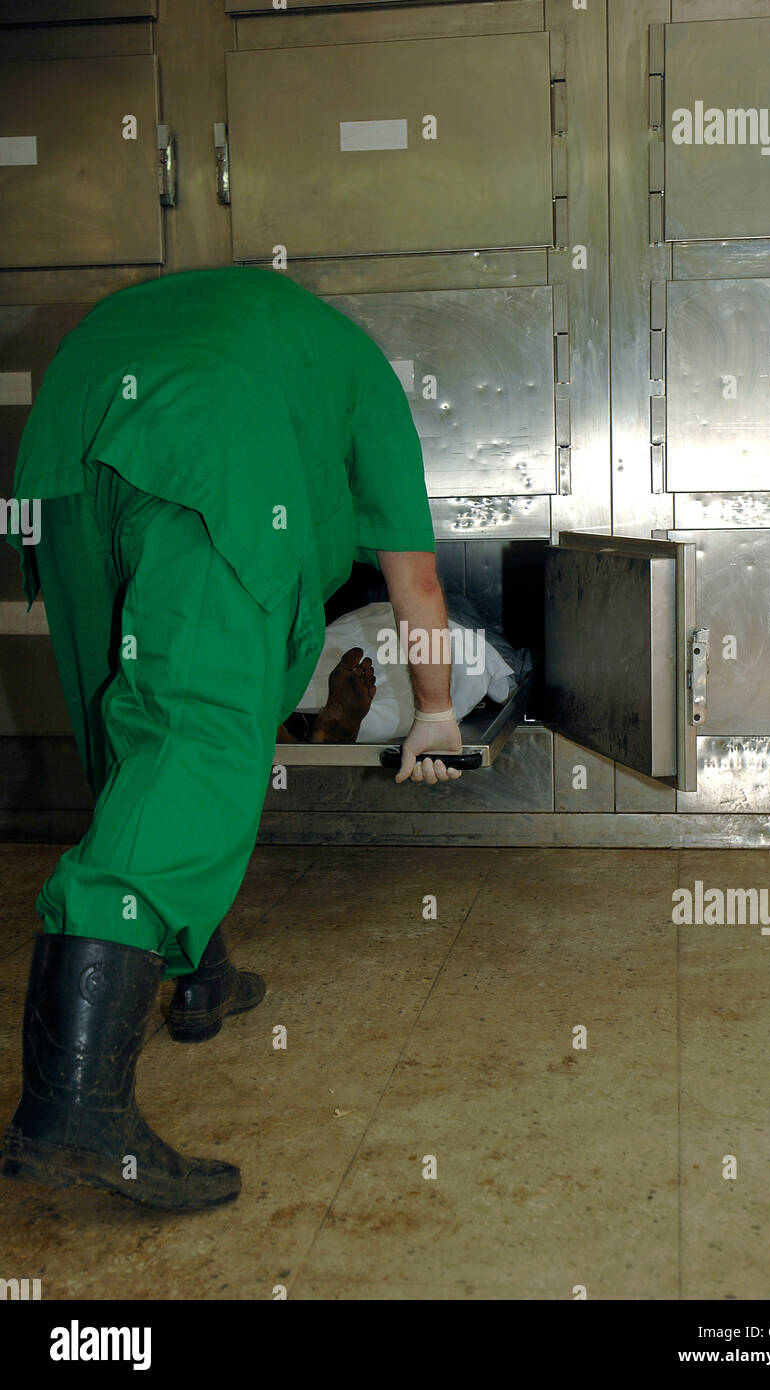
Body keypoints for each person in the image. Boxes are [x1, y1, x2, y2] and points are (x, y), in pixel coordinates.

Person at [1, 268, 463, 1211]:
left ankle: (202, 972)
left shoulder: (235, 324)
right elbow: (414, 583)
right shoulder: (358, 374)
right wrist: (436, 711)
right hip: (216, 466)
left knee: (125, 732)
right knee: (196, 740)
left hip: (63, 455)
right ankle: (73, 1117)